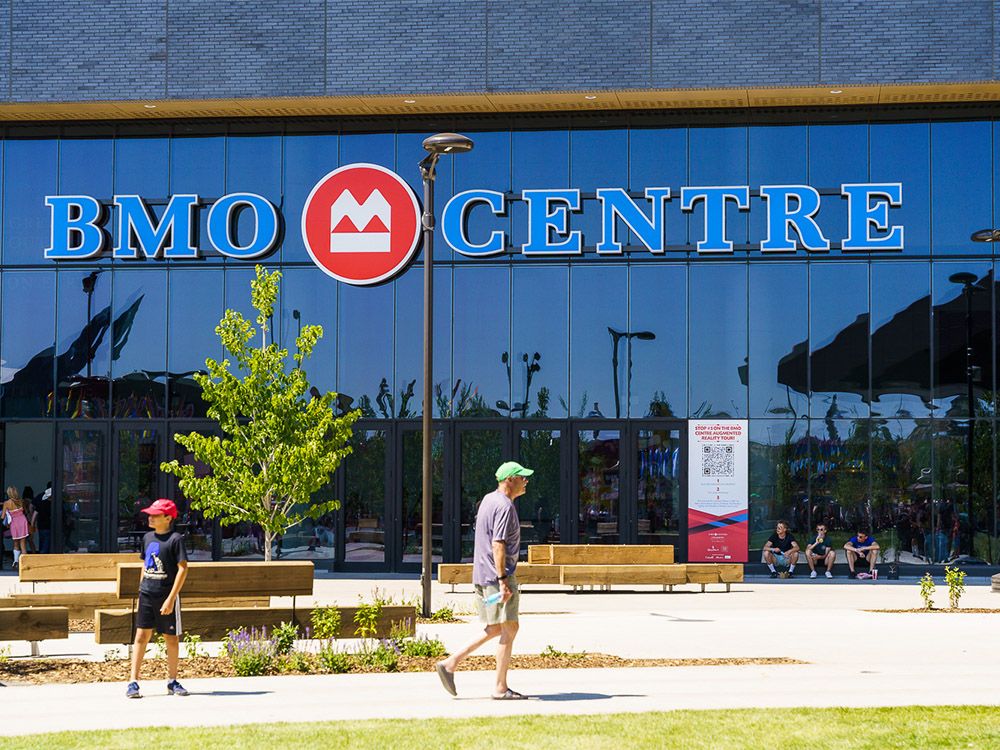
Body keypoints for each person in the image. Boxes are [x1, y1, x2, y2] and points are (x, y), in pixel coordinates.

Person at [436, 461, 532, 700]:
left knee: (497, 627)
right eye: (522, 477)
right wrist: (502, 580)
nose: (526, 481)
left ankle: (450, 663)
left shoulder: (488, 500)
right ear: (510, 479)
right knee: (509, 626)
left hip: (482, 575)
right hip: (496, 576)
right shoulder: (505, 507)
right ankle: (500, 687)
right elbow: (498, 544)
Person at [126, 498, 189, 699]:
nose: (150, 518)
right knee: (140, 637)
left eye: (155, 515)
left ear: (168, 518)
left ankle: (172, 680)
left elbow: (183, 569)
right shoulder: (147, 538)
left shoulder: (175, 539)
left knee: (170, 638)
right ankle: (133, 682)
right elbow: (145, 564)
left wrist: (171, 598)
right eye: (150, 514)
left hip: (166, 596)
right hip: (147, 594)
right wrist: (141, 587)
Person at [3, 487, 30, 569]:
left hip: (14, 523)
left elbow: (2, 516)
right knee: (23, 544)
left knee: (15, 543)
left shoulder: (7, 503)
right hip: (23, 521)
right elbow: (26, 511)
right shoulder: (21, 501)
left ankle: (16, 561)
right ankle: (25, 563)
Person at [35, 484, 52, 554]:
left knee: (42, 541)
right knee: (47, 543)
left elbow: (34, 514)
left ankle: (41, 555)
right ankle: (43, 556)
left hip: (40, 525)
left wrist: (33, 525)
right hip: (48, 526)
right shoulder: (53, 504)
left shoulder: (41, 503)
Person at [21, 487, 37, 554]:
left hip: (22, 522)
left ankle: (22, 555)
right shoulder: (32, 501)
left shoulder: (22, 502)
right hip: (30, 522)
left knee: (22, 540)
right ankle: (34, 554)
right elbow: (31, 513)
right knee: (31, 541)